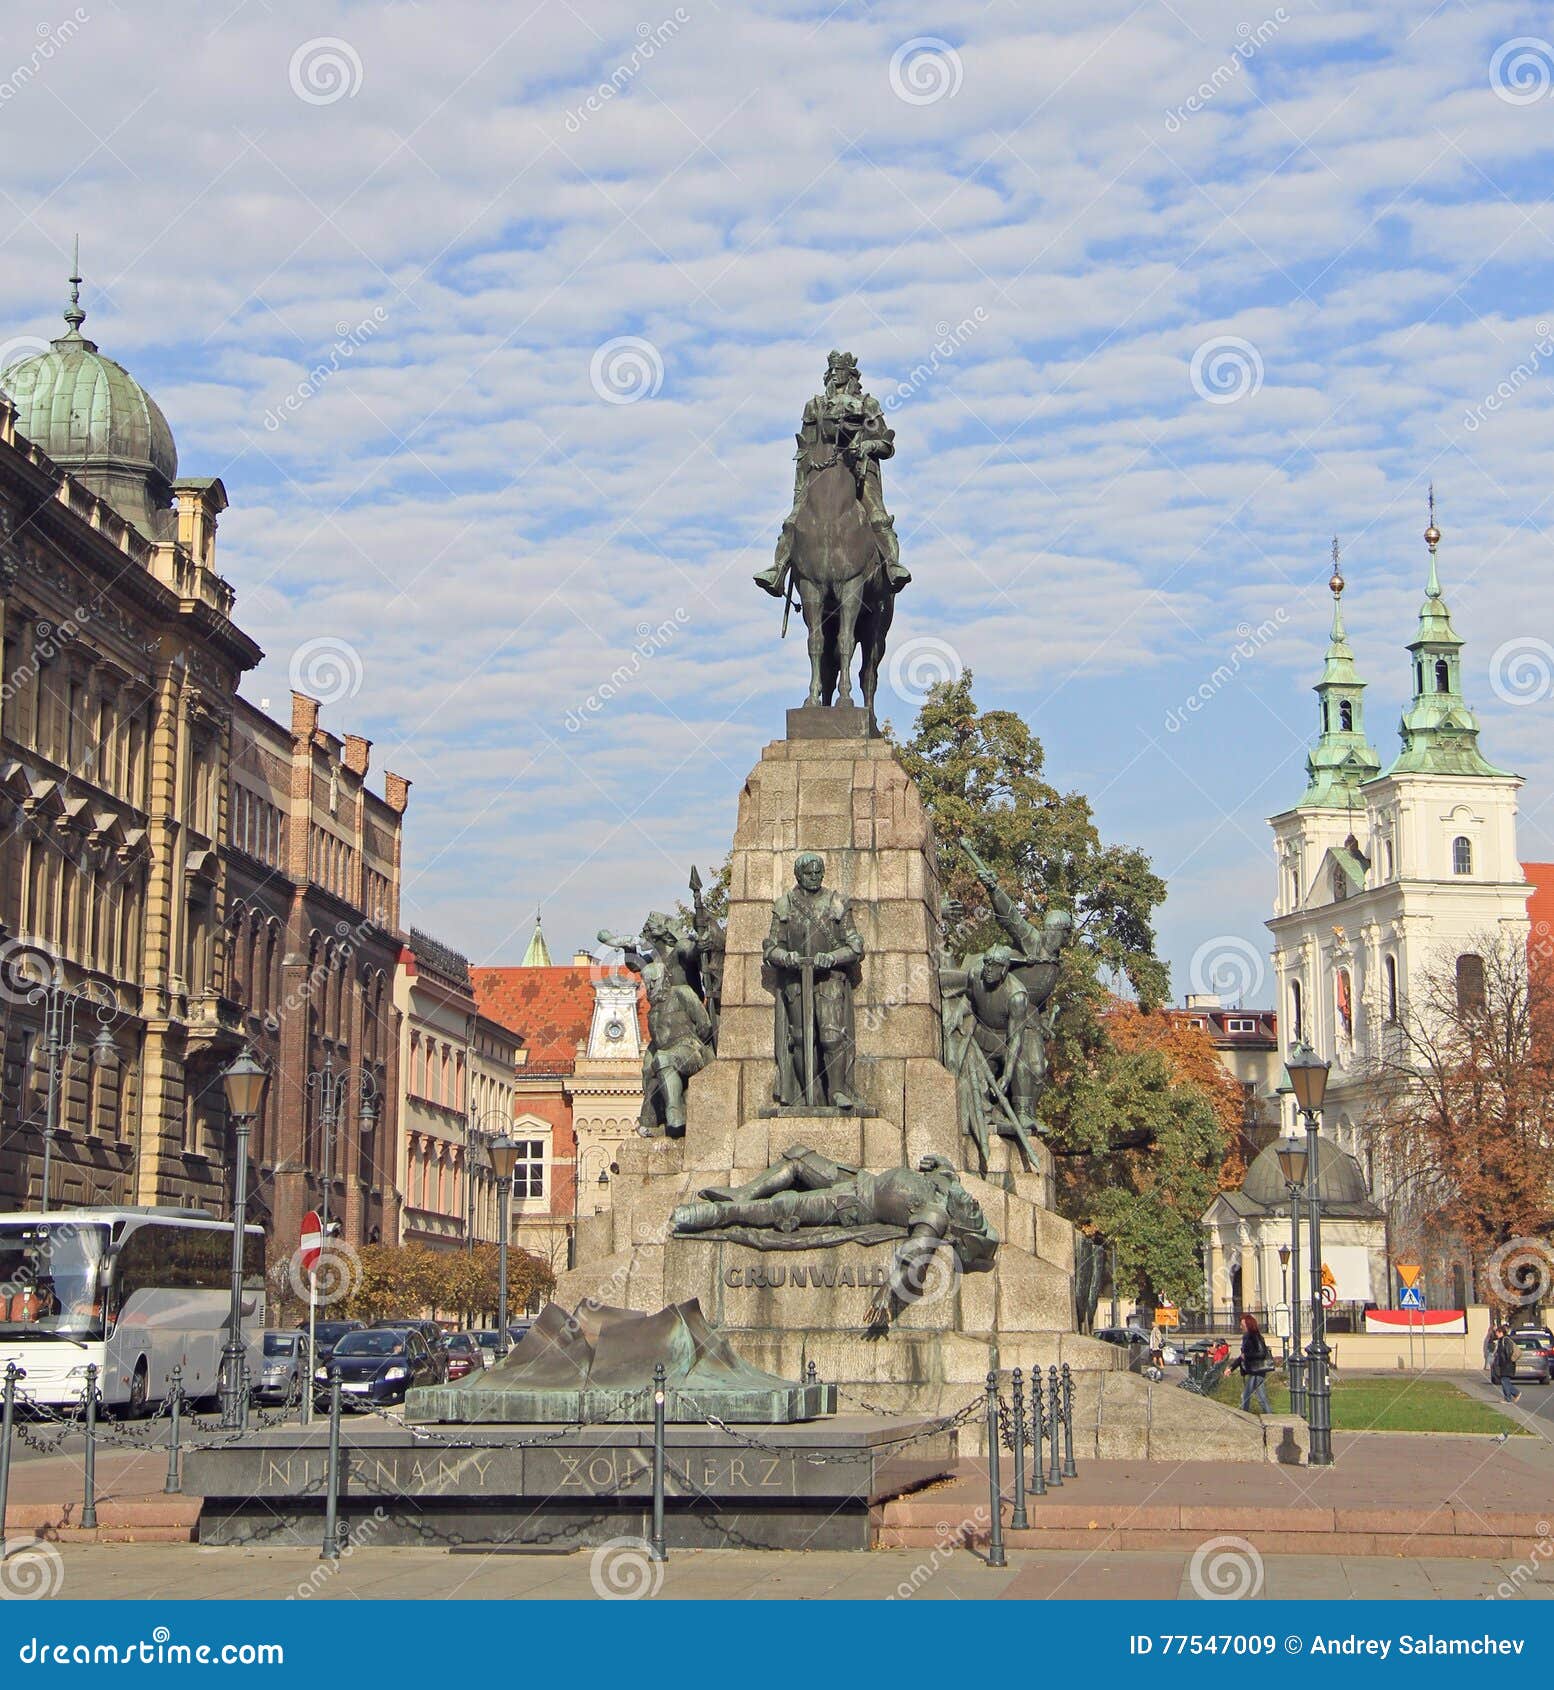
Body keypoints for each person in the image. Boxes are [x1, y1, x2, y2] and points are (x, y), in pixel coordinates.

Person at [1234, 1312, 1274, 1413]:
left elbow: (1261, 1353)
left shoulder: (1254, 1337)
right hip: (1255, 1370)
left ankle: (1244, 1417)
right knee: (1262, 1397)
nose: (1241, 1327)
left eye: (1243, 1325)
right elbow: (1242, 1356)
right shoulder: (1248, 1337)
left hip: (1256, 1370)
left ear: (1249, 1325)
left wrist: (1247, 1356)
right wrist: (1231, 1368)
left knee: (1245, 1395)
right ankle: (1271, 1417)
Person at [1492, 1323, 1522, 1404]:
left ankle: (1508, 1398)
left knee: (1504, 1380)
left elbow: (1508, 1353)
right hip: (1504, 1364)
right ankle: (1516, 1393)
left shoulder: (1506, 1340)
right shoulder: (1501, 1340)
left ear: (1501, 1332)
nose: (1496, 1334)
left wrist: (1505, 1362)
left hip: (1507, 1364)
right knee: (1505, 1381)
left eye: (1497, 1332)